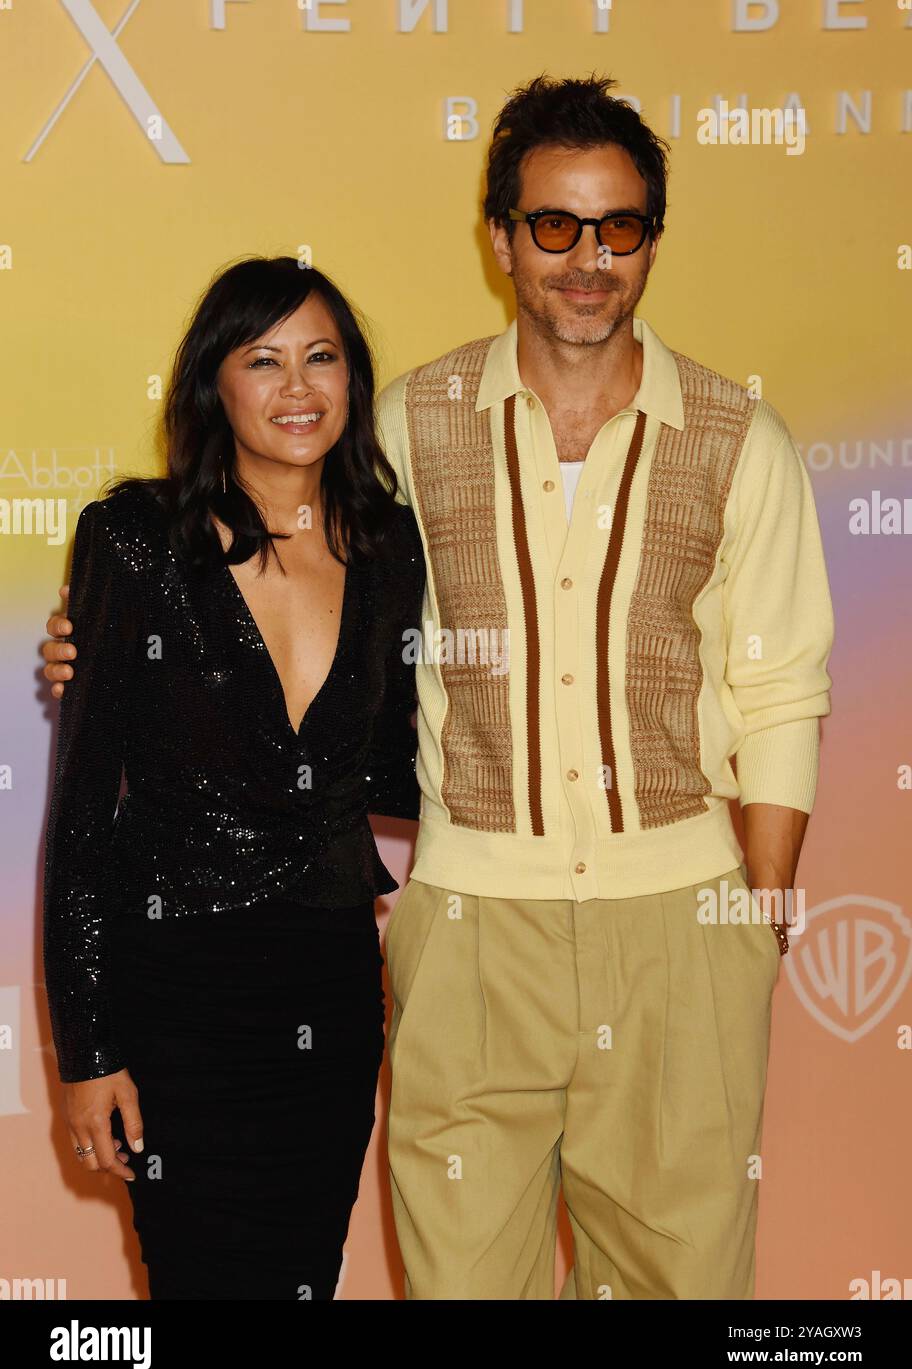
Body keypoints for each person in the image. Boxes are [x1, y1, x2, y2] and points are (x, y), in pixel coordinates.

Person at [44, 74, 836, 1302]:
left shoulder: (744, 438)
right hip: (468, 923)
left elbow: (783, 682)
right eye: (554, 226)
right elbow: (261, 575)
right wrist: (98, 646)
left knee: (685, 1284)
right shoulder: (406, 427)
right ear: (502, 238)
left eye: (618, 227)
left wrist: (757, 920)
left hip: (682, 910)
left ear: (652, 242)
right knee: (465, 1284)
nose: (587, 259)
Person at [39, 255, 424, 1300]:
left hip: (330, 991)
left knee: (304, 1273)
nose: (297, 388)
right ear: (217, 383)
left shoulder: (390, 549)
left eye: (321, 359)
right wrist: (87, 1051)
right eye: (264, 360)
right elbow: (78, 818)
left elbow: (403, 761)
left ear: (352, 378)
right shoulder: (135, 541)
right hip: (178, 997)